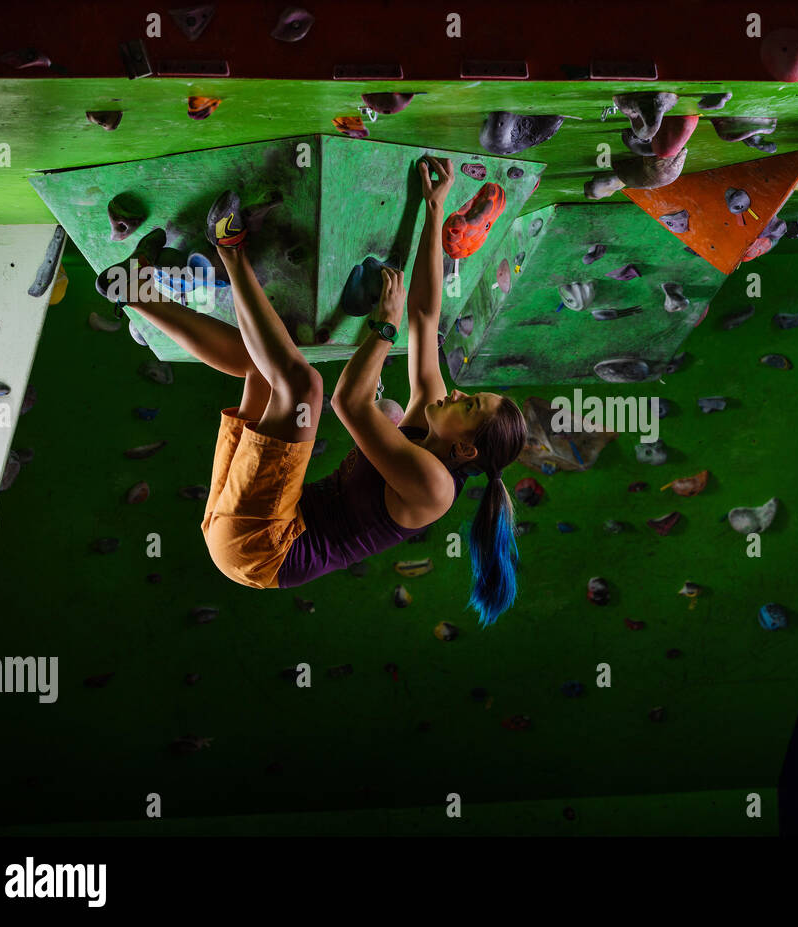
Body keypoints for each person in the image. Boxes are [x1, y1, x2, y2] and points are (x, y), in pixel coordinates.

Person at [96, 156, 527, 627]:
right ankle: (133, 288)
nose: (458, 394)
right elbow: (425, 317)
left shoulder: (435, 488)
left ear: (465, 448)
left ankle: (229, 246)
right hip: (246, 525)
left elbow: (349, 404)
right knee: (262, 367)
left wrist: (384, 328)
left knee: (304, 389)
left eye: (470, 406)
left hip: (265, 548)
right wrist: (434, 208)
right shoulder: (434, 418)